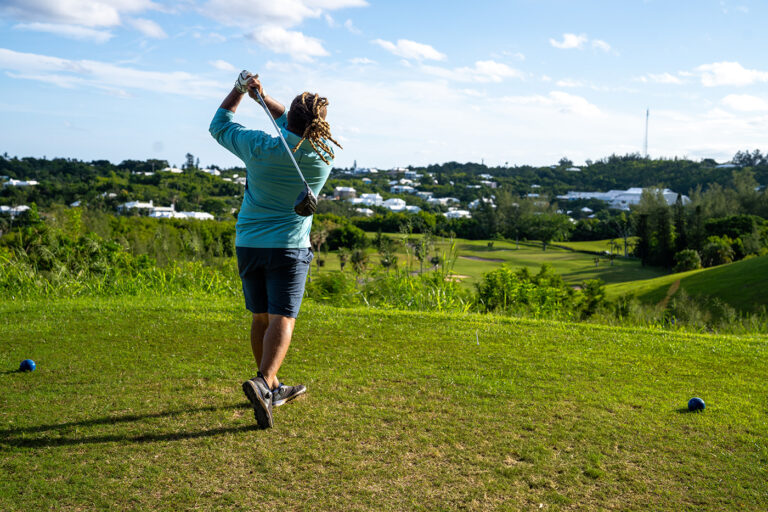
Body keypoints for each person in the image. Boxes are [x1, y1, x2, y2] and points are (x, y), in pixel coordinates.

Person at [209, 72, 341, 429]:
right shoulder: (323, 156)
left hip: (249, 242)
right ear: (318, 126)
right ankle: (265, 382)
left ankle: (273, 385)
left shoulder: (259, 145)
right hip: (289, 248)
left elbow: (219, 124)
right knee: (284, 317)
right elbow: (291, 121)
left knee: (261, 317)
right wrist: (264, 99)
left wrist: (241, 92)